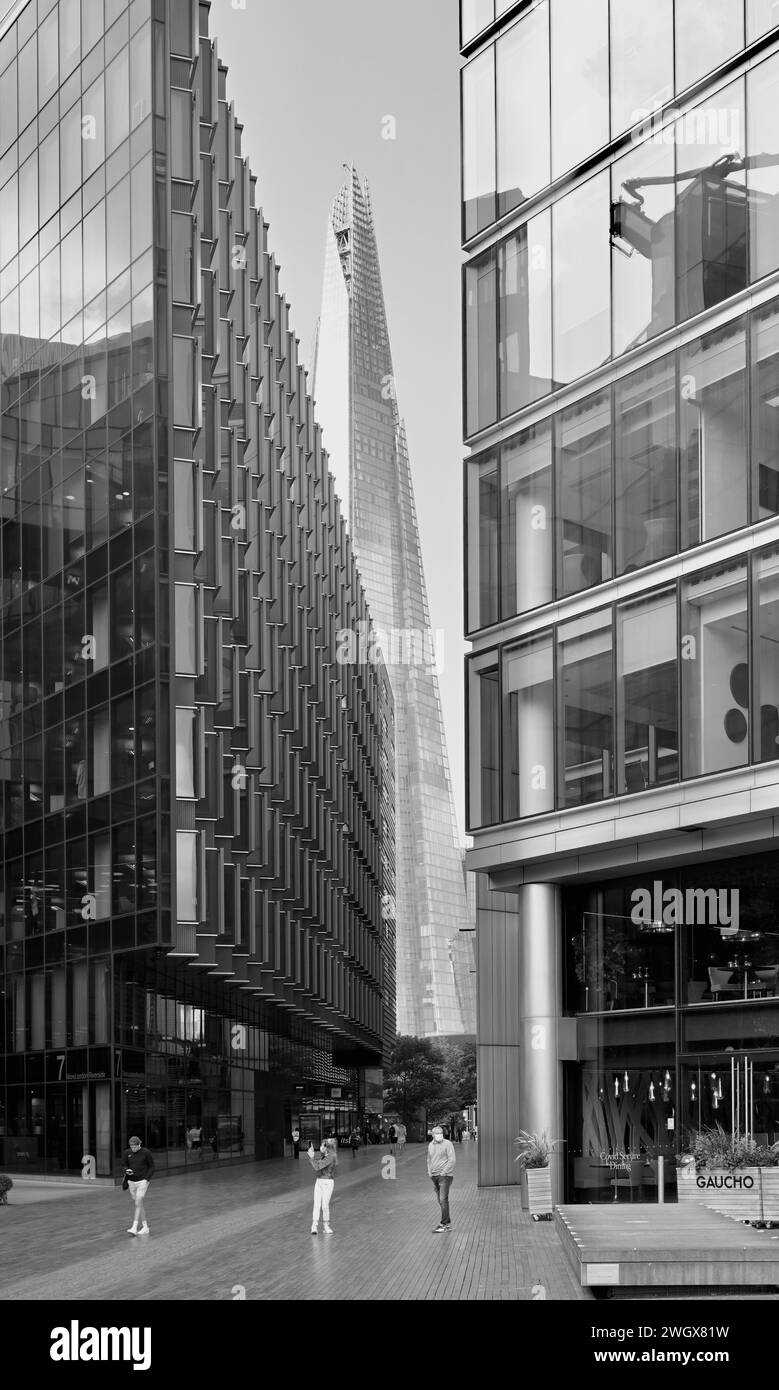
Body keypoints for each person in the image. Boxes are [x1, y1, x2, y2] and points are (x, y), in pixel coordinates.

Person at [427, 1124, 456, 1233]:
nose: (439, 1135)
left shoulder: (448, 1144)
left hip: (445, 1176)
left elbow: (452, 1160)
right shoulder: (430, 1145)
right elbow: (429, 1160)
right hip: (434, 1176)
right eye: (437, 1133)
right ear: (433, 1135)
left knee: (443, 1200)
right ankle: (447, 1223)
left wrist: (444, 1173)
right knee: (440, 1200)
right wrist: (429, 1172)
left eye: (441, 1133)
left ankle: (444, 1224)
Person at [123, 1135, 154, 1236]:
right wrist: (126, 1170)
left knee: (138, 1202)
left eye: (135, 1147)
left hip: (142, 1182)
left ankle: (134, 1227)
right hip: (131, 1182)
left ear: (139, 1144)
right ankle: (145, 1227)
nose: (133, 1149)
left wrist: (146, 1179)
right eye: (132, 1147)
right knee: (139, 1204)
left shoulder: (146, 1153)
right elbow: (124, 1165)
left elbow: (152, 1167)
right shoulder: (127, 1153)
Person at [308, 1137, 338, 1235]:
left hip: (327, 1183)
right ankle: (314, 1226)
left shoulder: (331, 1156)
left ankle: (326, 1226)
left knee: (324, 1205)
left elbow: (317, 1166)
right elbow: (318, 1165)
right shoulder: (326, 1155)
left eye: (322, 1145)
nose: (321, 1147)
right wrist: (312, 1155)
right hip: (319, 1182)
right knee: (317, 1204)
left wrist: (312, 1157)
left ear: (327, 1147)